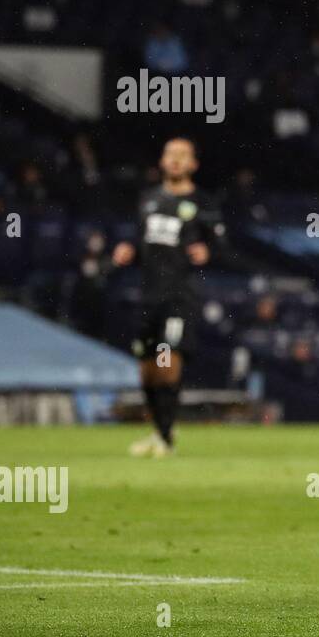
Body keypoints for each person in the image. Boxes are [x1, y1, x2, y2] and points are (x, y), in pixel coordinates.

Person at [113, 138, 224, 456]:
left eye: (182, 156)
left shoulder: (203, 202)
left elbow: (222, 244)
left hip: (180, 296)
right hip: (148, 296)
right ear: (162, 161)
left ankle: (165, 439)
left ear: (193, 164)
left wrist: (209, 250)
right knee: (147, 369)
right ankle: (161, 430)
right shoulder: (148, 200)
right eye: (170, 155)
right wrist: (128, 250)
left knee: (168, 360)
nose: (175, 160)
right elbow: (139, 240)